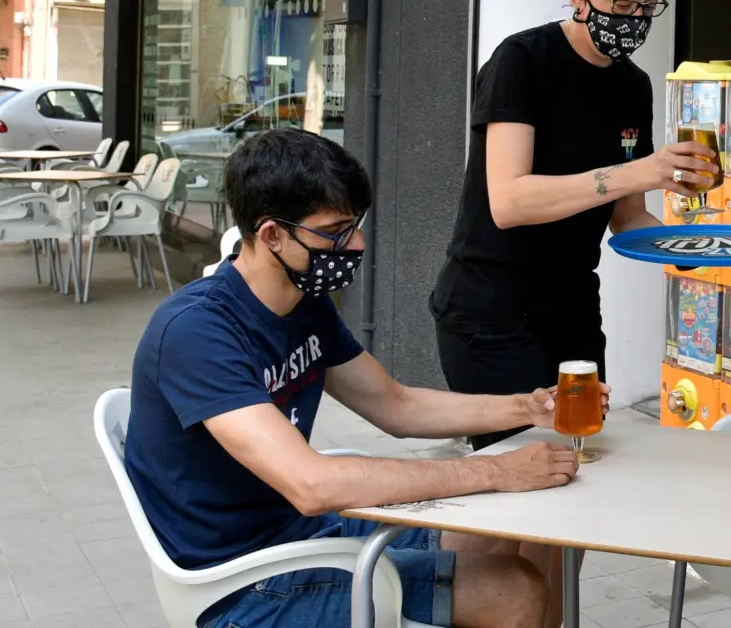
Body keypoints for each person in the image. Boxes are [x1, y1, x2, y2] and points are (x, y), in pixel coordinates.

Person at [124, 129, 600, 628]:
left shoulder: (303, 301)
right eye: (335, 230)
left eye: (356, 225)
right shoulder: (198, 332)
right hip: (238, 583)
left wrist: (526, 407)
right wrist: (495, 470)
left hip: (301, 532)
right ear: (272, 236)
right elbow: (311, 483)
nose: (356, 243)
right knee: (515, 591)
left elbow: (395, 405)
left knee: (503, 526)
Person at [432, 0, 716, 448]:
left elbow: (628, 217)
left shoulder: (632, 86)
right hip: (491, 310)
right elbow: (509, 200)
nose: (635, 20)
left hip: (573, 310)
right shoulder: (522, 62)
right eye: (624, 4)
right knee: (514, 479)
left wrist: (694, 249)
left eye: (649, 7)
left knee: (575, 464)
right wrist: (644, 169)